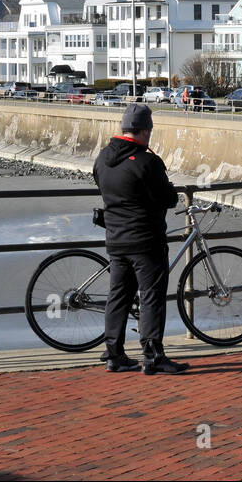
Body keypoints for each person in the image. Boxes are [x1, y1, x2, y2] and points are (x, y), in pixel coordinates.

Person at [92, 103, 190, 375]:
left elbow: (102, 187)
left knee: (118, 296)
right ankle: (153, 356)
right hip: (146, 240)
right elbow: (168, 198)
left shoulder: (102, 159)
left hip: (115, 238)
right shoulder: (148, 161)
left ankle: (114, 354)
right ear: (145, 131)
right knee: (151, 298)